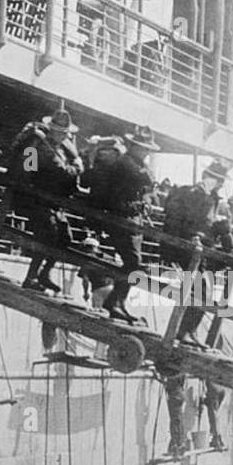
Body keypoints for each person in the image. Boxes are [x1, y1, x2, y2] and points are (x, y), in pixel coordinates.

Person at [83, 124, 158, 324]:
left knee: (134, 264)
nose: (147, 152)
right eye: (144, 148)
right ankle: (115, 302)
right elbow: (116, 198)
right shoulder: (126, 165)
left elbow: (149, 190)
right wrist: (137, 205)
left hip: (131, 221)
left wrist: (146, 202)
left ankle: (117, 302)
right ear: (134, 146)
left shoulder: (136, 164)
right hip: (120, 219)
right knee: (134, 264)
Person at [8, 108, 83, 293]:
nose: (64, 136)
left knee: (65, 238)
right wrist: (77, 167)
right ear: (53, 130)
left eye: (66, 133)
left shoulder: (58, 148)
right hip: (34, 200)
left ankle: (45, 273)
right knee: (48, 235)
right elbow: (60, 171)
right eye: (61, 133)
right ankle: (31, 277)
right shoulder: (39, 146)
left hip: (49, 202)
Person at [159, 159, 229, 347]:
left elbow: (205, 224)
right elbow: (186, 221)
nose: (220, 185)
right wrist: (194, 236)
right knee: (203, 290)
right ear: (209, 178)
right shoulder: (195, 194)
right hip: (187, 247)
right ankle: (185, 332)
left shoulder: (211, 198)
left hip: (199, 249)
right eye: (217, 180)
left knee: (203, 289)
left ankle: (187, 331)